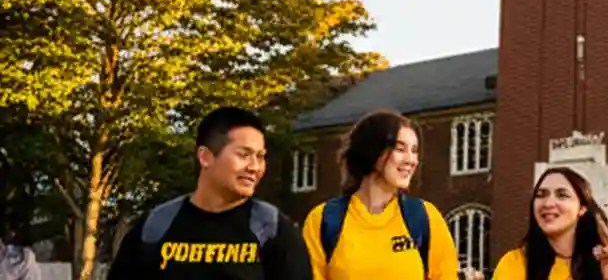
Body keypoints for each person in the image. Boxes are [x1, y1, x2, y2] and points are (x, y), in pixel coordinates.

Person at [107, 106, 311, 279]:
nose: (255, 167)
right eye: (244, 155)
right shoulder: (155, 228)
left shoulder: (274, 230)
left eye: (260, 157)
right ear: (205, 157)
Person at [301, 110, 458, 280]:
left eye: (414, 150)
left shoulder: (425, 218)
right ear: (372, 150)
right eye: (400, 149)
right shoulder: (324, 220)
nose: (410, 160)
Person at [491, 167, 608, 280]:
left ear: (582, 208)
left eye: (562, 195)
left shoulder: (607, 262)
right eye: (541, 194)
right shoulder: (514, 263)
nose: (548, 203)